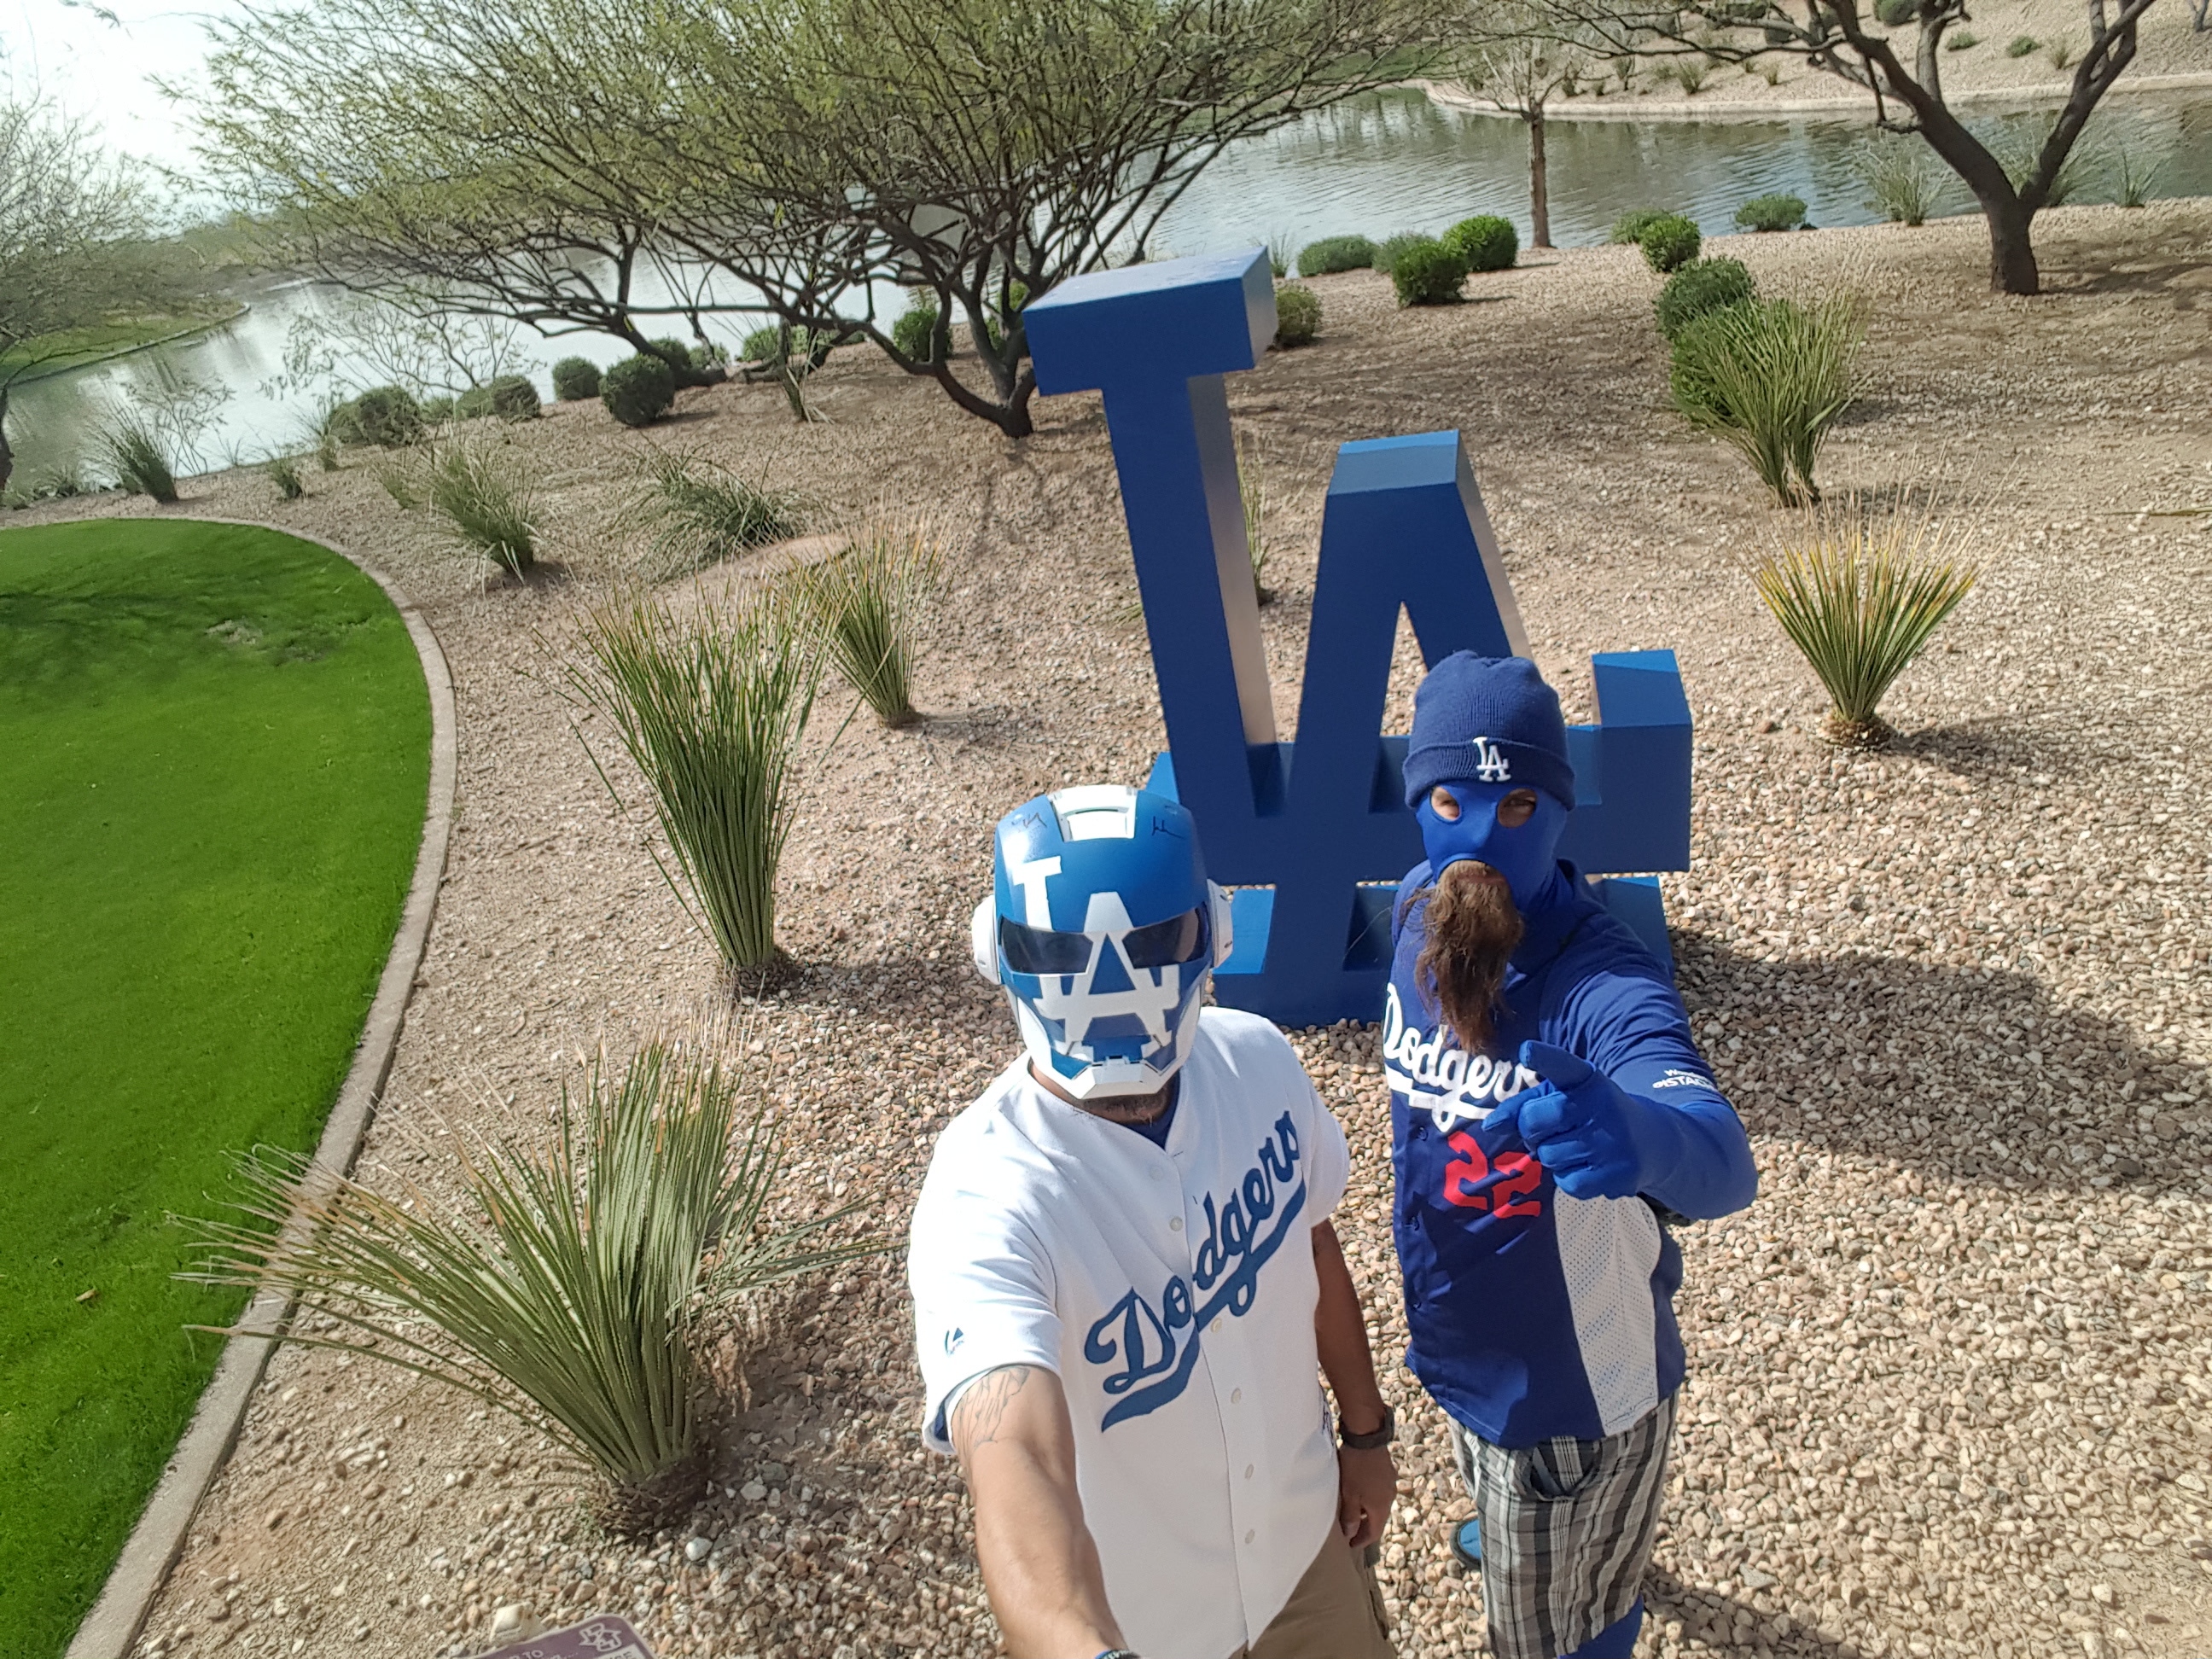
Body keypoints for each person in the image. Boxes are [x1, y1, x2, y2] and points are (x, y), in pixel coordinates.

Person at [909, 784, 1400, 1659]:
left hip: (1300, 1558)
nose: (1112, 986)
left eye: (1145, 947)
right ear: (1216, 926)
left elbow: (1310, 1244)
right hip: (1143, 1626)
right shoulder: (983, 1192)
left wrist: (1366, 1432)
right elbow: (1010, 1450)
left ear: (996, 952)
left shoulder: (1262, 1063)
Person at [1382, 654, 1759, 1659]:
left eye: (1514, 810)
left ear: (1557, 811)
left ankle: (1591, 1597)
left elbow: (1724, 1159)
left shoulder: (1600, 982)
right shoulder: (1421, 909)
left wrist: (1642, 1138)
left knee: (1554, 1634)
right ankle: (1558, 1547)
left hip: (1567, 1400)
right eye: (1450, 799)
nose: (1475, 839)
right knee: (1535, 1531)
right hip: (1465, 1351)